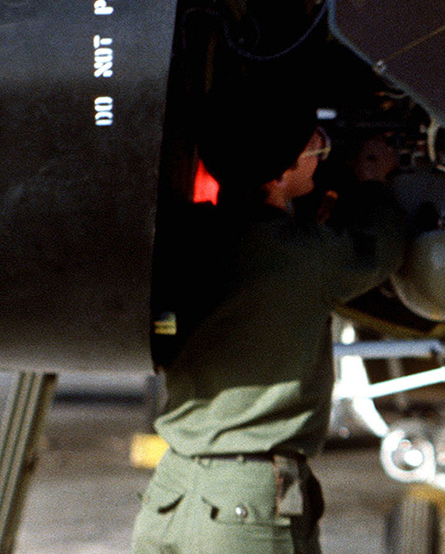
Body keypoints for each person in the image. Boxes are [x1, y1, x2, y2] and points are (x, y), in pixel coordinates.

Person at [133, 89, 407, 554]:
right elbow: (380, 248)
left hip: (171, 495)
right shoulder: (308, 256)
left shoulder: (186, 236)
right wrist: (374, 181)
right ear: (279, 176)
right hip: (246, 508)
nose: (319, 156)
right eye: (313, 149)